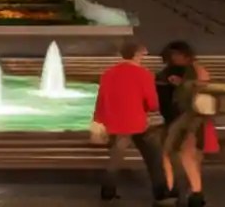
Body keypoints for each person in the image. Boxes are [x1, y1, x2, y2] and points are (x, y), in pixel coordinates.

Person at [92, 40, 169, 203]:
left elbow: (101, 99)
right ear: (136, 55)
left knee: (116, 157)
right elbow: (153, 103)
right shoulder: (143, 74)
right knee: (153, 157)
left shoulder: (109, 73)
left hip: (116, 122)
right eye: (142, 55)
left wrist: (98, 119)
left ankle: (107, 190)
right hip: (138, 122)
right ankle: (160, 191)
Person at [160, 41, 218, 207]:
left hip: (191, 119)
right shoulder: (192, 70)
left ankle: (182, 191)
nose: (173, 59)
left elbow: (200, 90)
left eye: (176, 55)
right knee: (190, 156)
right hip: (193, 119)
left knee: (179, 154)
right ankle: (192, 192)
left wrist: (182, 84)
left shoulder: (195, 71)